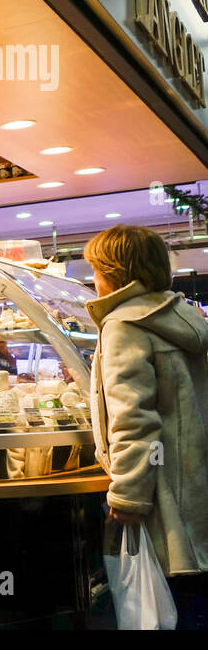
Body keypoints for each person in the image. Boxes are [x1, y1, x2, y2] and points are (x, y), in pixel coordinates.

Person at [83, 225, 208, 629]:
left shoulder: (123, 324)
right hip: (194, 490)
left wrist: (127, 498)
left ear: (113, 271)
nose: (93, 280)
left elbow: (134, 419)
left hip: (159, 495)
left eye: (96, 270)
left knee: (163, 611)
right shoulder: (181, 315)